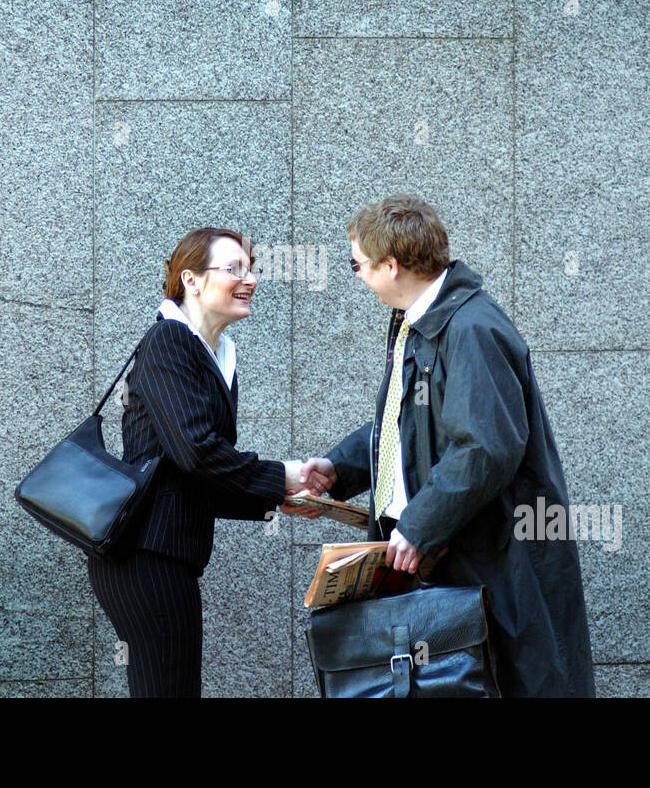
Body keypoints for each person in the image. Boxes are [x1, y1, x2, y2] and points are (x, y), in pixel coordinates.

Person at [291, 195, 596, 697]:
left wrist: (420, 525)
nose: (359, 277)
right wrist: (338, 469)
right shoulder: (424, 321)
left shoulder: (471, 328)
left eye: (357, 265)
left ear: (391, 265)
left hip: (485, 560)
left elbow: (485, 447)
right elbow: (404, 426)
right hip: (451, 556)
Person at [87, 226, 331, 698]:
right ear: (191, 280)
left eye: (251, 269)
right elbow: (196, 451)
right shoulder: (169, 342)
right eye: (233, 268)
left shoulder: (217, 354)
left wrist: (279, 495)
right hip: (145, 553)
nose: (251, 279)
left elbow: (192, 472)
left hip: (166, 554)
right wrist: (280, 474)